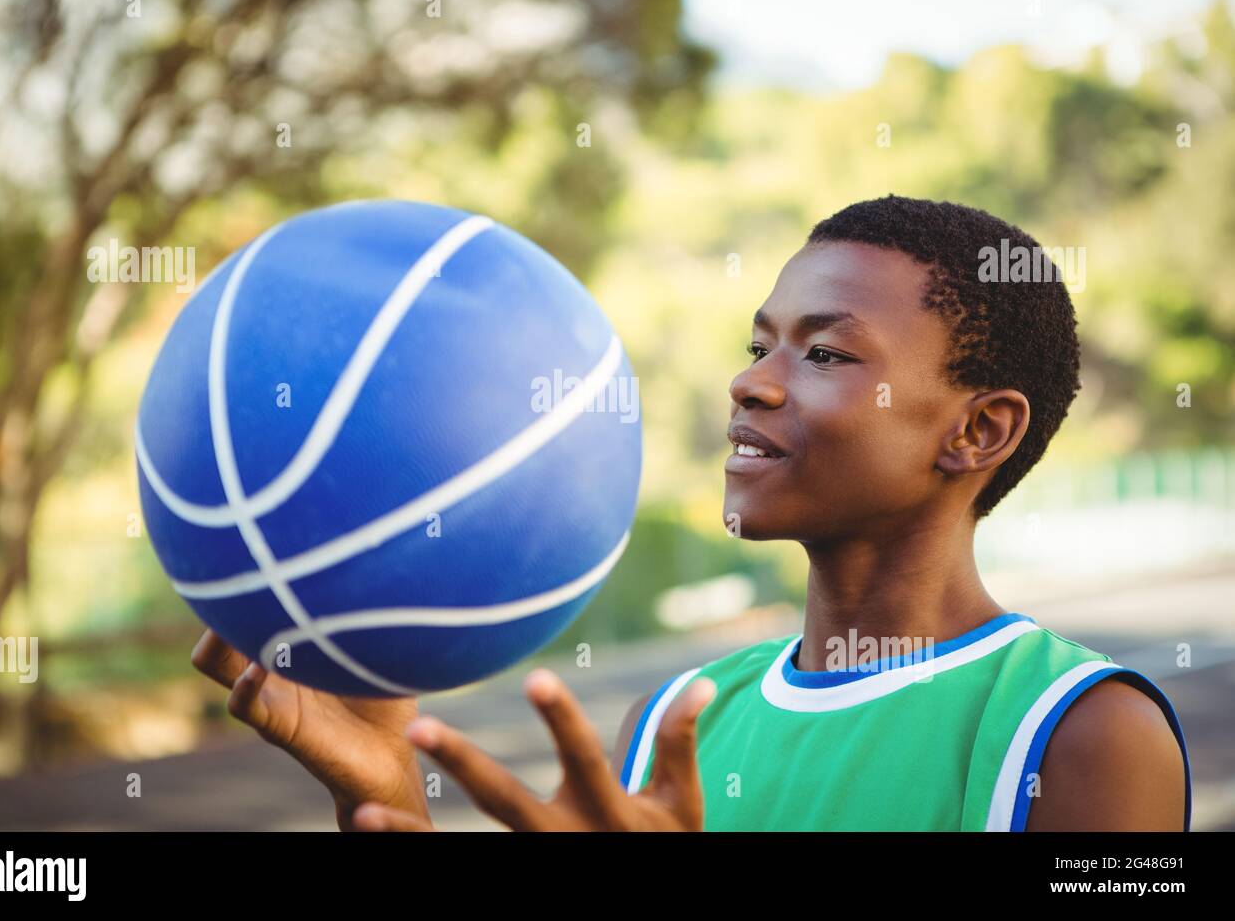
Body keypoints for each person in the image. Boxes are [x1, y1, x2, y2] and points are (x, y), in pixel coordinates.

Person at [192, 195, 1190, 831]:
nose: (751, 383)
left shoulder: (1081, 732)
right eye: (758, 345)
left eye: (826, 353)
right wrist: (382, 795)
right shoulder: (672, 725)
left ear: (977, 431)